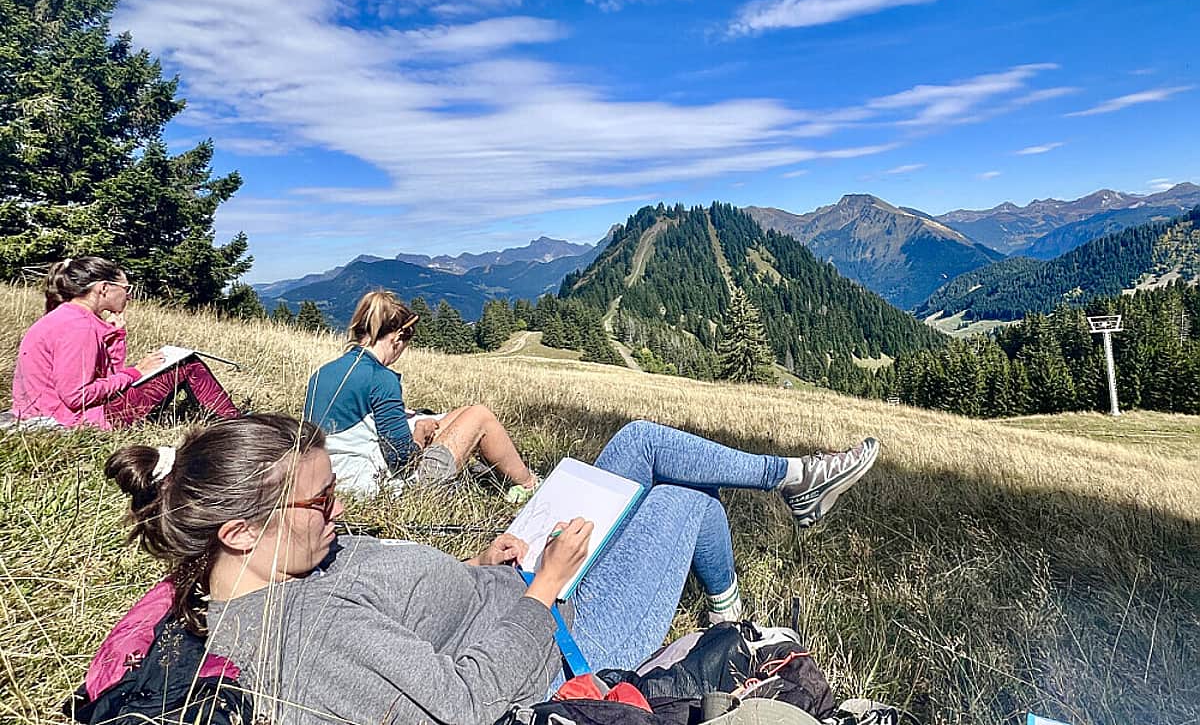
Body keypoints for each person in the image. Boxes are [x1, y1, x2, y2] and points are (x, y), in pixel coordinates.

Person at [106, 414, 879, 725]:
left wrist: (477, 563)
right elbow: (466, 707)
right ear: (240, 532)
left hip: (509, 587)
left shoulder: (286, 568)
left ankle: (791, 485)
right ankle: (732, 618)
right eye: (322, 499)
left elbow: (399, 614)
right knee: (683, 502)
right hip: (552, 641)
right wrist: (543, 589)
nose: (337, 511)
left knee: (642, 441)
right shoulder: (300, 634)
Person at [304, 290, 539, 499]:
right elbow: (403, 461)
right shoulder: (380, 378)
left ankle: (501, 474)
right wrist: (419, 432)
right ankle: (530, 485)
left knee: (461, 415)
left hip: (330, 478)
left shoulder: (321, 374)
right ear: (397, 338)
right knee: (480, 415)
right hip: (377, 487)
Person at [10, 257, 239, 429]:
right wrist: (135, 373)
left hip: (54, 412)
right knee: (186, 364)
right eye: (126, 289)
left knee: (177, 365)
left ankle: (231, 423)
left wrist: (116, 336)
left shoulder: (70, 317)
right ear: (103, 288)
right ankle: (237, 427)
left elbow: (106, 377)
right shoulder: (79, 327)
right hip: (71, 420)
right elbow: (76, 396)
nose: (128, 296)